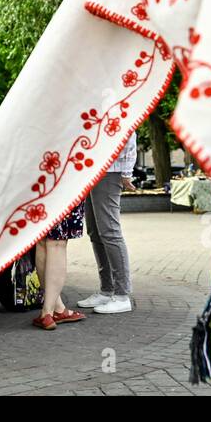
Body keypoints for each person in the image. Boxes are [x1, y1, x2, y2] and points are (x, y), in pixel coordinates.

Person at [78, 131, 135, 314]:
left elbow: (129, 133)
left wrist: (127, 171)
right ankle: (106, 289)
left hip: (111, 170)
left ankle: (122, 295)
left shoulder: (116, 104)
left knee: (110, 232)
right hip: (93, 170)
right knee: (95, 232)